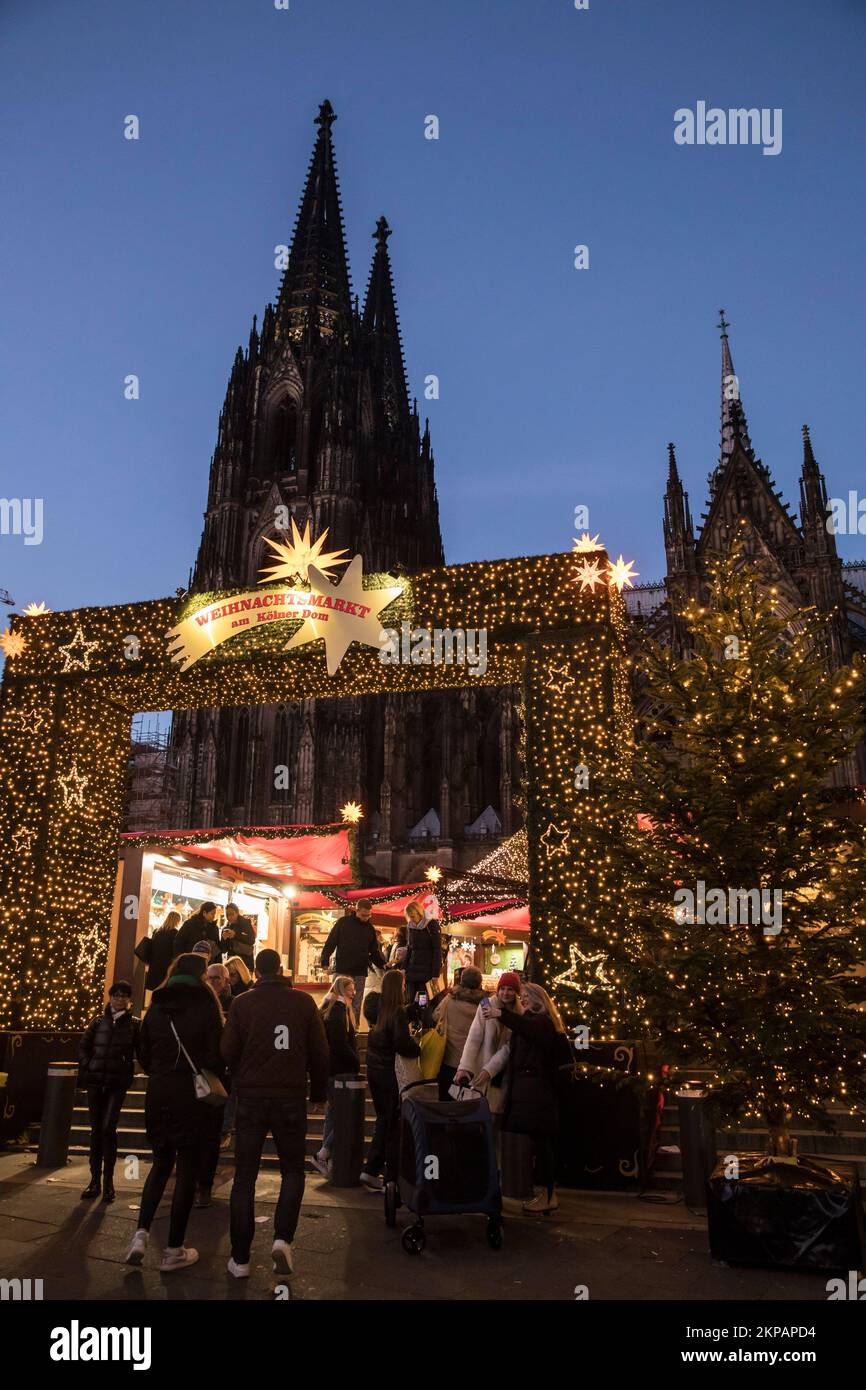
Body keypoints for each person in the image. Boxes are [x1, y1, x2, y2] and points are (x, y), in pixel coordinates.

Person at [220, 948, 329, 1279]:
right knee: (292, 1171)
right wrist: (319, 1093)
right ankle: (282, 1238)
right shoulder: (303, 1003)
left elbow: (227, 1052)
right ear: (280, 969)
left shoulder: (242, 1004)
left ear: (255, 970)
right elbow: (320, 1053)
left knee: (245, 1176)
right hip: (290, 1097)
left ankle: (240, 1258)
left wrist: (241, 1074)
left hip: (251, 1097)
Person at [125, 953, 225, 1272]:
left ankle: (140, 1234)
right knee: (187, 1169)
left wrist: (159, 1069)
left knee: (160, 1163)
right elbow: (215, 1052)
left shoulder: (156, 1005)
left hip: (158, 1089)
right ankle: (173, 1249)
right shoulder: (206, 1004)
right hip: (190, 1093)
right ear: (200, 976)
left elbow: (142, 1047)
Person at [490, 981, 565, 1215]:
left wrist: (499, 1014)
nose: (522, 999)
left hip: (536, 1093)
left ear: (537, 999)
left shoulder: (540, 1022)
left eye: (526, 996)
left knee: (542, 1143)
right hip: (532, 1091)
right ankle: (546, 1193)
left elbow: (526, 1030)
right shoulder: (539, 1021)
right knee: (539, 1142)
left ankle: (549, 1194)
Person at [77, 981, 141, 1203]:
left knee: (107, 1127)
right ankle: (95, 1180)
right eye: (116, 995)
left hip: (116, 1082)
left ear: (129, 999)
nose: (120, 999)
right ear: (110, 997)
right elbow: (84, 1046)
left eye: (124, 995)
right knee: (97, 1130)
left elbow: (142, 1051)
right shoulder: (97, 1022)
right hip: (95, 1081)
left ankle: (108, 1182)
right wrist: (90, 1063)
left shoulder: (134, 1025)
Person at [360, 970, 420, 1193]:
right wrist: (418, 1048)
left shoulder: (378, 1010)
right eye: (403, 984)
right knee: (393, 1124)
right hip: (388, 1074)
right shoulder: (396, 1013)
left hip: (374, 1072)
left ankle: (372, 1169)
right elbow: (401, 1043)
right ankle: (390, 1179)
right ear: (399, 987)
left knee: (384, 1120)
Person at [311, 976, 360, 1178]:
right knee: (343, 1116)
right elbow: (340, 1042)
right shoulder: (339, 1010)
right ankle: (323, 1154)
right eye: (350, 988)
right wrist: (355, 1060)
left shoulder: (327, 1009)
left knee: (332, 1115)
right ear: (342, 990)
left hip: (330, 1069)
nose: (354, 992)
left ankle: (326, 1158)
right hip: (340, 1069)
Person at [453, 970, 518, 1120]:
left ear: (516, 992)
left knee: (495, 1116)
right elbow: (474, 1036)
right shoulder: (486, 1004)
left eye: (510, 989)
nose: (505, 993)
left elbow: (509, 1048)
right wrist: (465, 1066)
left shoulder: (519, 1013)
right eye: (502, 989)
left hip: (501, 1074)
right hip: (480, 1066)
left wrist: (490, 1070)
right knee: (477, 1113)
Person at [319, 900, 385, 1025]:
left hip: (360, 971)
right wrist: (324, 962)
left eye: (369, 915)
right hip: (342, 970)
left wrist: (383, 964)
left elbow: (374, 952)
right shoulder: (343, 923)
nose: (366, 918)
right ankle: (330, 1024)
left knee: (356, 1003)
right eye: (364, 915)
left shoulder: (370, 929)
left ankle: (354, 1029)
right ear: (357, 911)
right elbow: (331, 942)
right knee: (335, 999)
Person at [431, 965, 485, 1101]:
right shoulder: (484, 1004)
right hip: (473, 1064)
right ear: (479, 983)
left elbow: (436, 1016)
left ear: (462, 980)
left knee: (446, 1104)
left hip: (449, 1060)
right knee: (469, 1106)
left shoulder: (450, 999)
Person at [403, 900, 442, 1004]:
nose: (411, 919)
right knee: (410, 1002)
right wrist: (404, 968)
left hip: (426, 974)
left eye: (413, 916)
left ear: (419, 913)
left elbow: (437, 950)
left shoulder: (431, 924)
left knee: (422, 1003)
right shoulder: (410, 926)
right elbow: (410, 948)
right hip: (412, 972)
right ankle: (413, 1020)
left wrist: (435, 974)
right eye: (409, 917)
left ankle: (423, 1020)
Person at [134, 912, 180, 994]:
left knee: (154, 987)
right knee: (163, 987)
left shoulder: (157, 931)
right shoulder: (175, 933)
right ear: (177, 921)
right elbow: (175, 950)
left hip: (154, 963)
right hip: (166, 964)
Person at [221, 902, 256, 972]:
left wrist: (235, 935)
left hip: (245, 961)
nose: (229, 917)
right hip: (232, 962)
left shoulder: (245, 923)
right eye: (227, 915)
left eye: (232, 914)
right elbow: (224, 950)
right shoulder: (226, 928)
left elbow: (252, 940)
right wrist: (224, 939)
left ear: (237, 913)